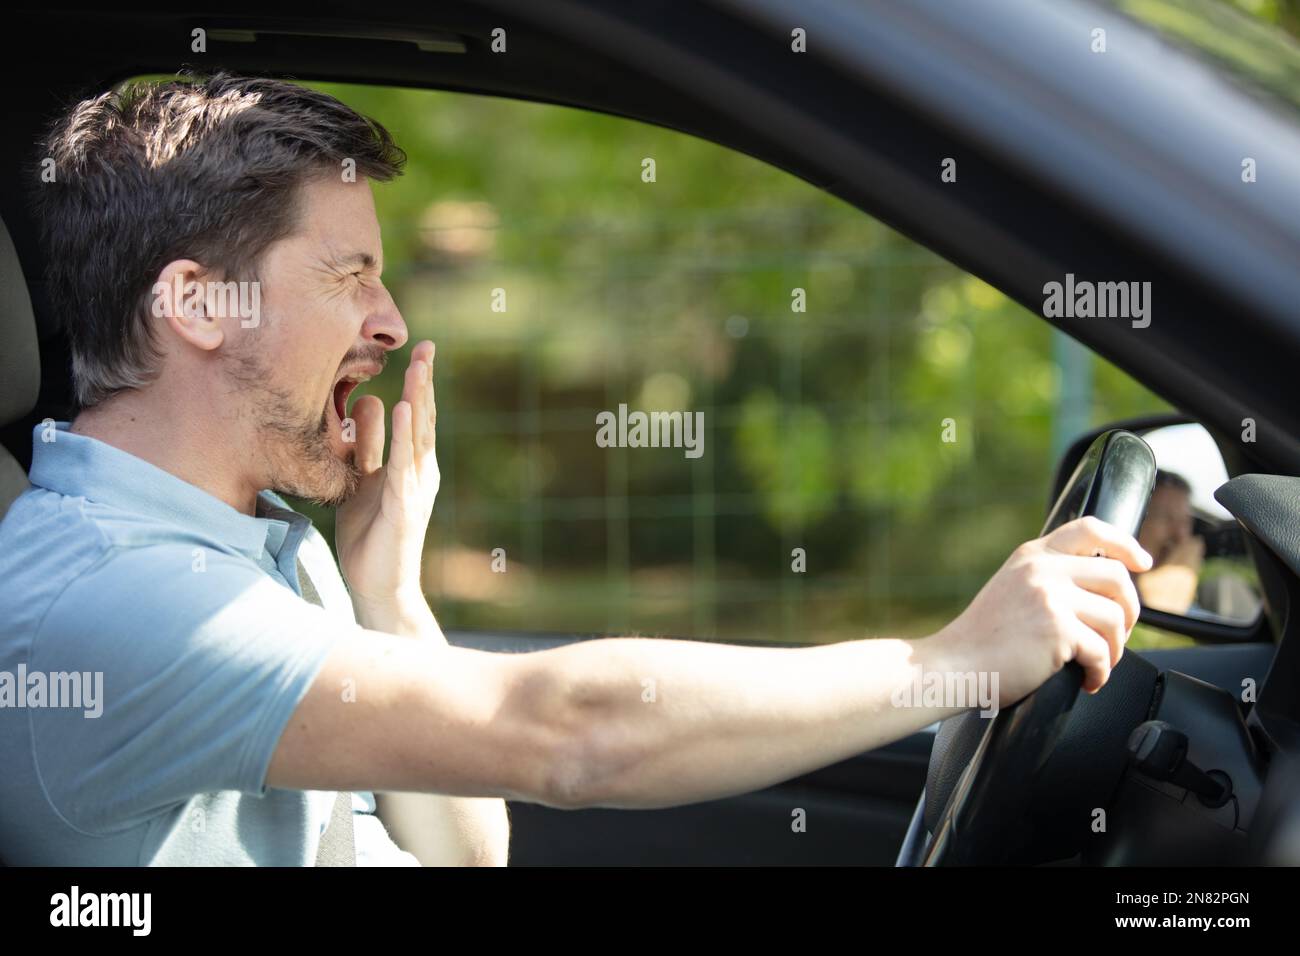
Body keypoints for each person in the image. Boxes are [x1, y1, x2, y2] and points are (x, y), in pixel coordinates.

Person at [0, 74, 1152, 866]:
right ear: (198, 303)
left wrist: (389, 590)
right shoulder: (109, 598)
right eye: (347, 274)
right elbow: (567, 733)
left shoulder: (249, 541)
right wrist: (950, 662)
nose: (390, 322)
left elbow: (465, 849)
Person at [1134, 469, 1202, 615]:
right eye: (1164, 517)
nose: (1180, 536)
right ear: (1133, 521)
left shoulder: (1199, 614)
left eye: (1185, 522)